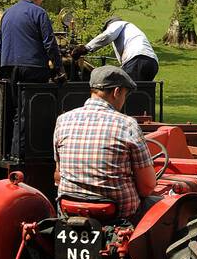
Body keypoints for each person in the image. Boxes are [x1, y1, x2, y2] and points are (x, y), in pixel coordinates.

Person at [53, 65, 157, 222]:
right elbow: (147, 187)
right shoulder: (127, 124)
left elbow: (58, 175)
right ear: (117, 92)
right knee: (164, 208)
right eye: (125, 95)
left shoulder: (63, 120)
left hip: (70, 210)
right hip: (119, 214)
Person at [0, 0, 62, 160]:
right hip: (33, 66)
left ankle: (11, 151)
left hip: (9, 66)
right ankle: (25, 153)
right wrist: (59, 69)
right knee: (31, 110)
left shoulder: (7, 13)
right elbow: (49, 42)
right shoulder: (39, 12)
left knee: (16, 110)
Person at [72, 15, 159, 85]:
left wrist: (86, 48)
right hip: (152, 63)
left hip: (137, 60)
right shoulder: (131, 29)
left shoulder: (117, 24)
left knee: (125, 92)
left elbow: (107, 36)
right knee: (143, 93)